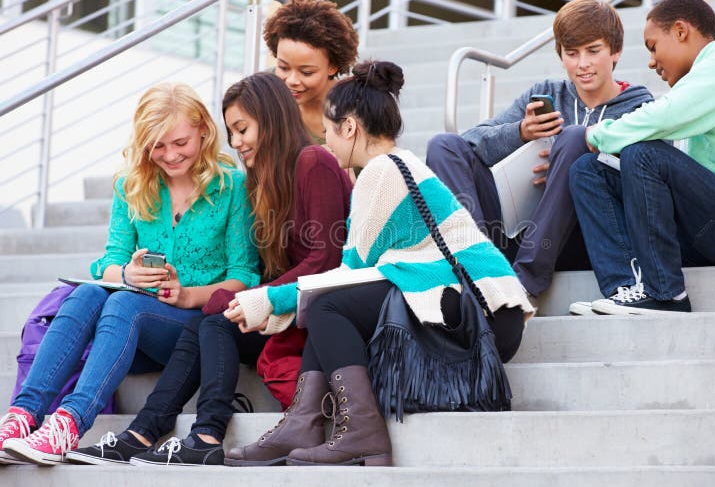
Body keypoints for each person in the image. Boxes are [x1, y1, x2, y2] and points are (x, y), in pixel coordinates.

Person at [222, 60, 535, 467]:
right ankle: (304, 421)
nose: (325, 141)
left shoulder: (383, 172)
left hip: (478, 317)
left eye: (329, 130)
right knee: (329, 302)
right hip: (488, 313)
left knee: (328, 304)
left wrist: (267, 300)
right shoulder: (398, 165)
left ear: (349, 127)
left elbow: (345, 276)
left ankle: (360, 433)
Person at [66, 72, 353, 466]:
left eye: (242, 129)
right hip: (289, 304)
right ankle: (146, 431)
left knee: (214, 320)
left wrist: (255, 296)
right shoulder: (266, 179)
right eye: (232, 132)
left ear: (270, 119)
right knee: (208, 321)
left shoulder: (313, 160)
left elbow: (324, 260)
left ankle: (202, 434)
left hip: (320, 308)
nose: (236, 142)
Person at [0, 83, 261, 465]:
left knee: (123, 304)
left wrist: (188, 294)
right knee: (89, 294)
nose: (170, 155)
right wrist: (127, 272)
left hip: (189, 329)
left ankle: (68, 425)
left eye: (180, 142)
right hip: (124, 334)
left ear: (203, 131)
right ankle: (21, 418)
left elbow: (244, 276)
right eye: (157, 146)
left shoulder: (231, 187)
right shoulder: (132, 185)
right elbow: (108, 261)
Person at [568, 0, 715, 315]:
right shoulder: (711, 76)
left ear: (680, 31)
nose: (651, 61)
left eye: (653, 46)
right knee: (588, 171)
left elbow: (661, 117)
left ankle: (666, 294)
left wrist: (598, 134)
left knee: (643, 153)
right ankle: (627, 287)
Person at [426, 0, 653, 310]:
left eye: (593, 50)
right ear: (560, 56)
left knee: (574, 140)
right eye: (572, 54)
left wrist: (571, 166)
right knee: (444, 145)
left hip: (583, 239)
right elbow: (472, 141)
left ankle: (524, 284)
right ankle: (479, 270)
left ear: (615, 51)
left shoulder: (639, 106)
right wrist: (521, 131)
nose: (582, 63)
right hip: (521, 227)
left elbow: (648, 181)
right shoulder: (548, 93)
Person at [263, 0, 359, 144]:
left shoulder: (356, 109)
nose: (292, 81)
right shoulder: (265, 88)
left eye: (306, 72)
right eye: (283, 67)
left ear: (332, 66)